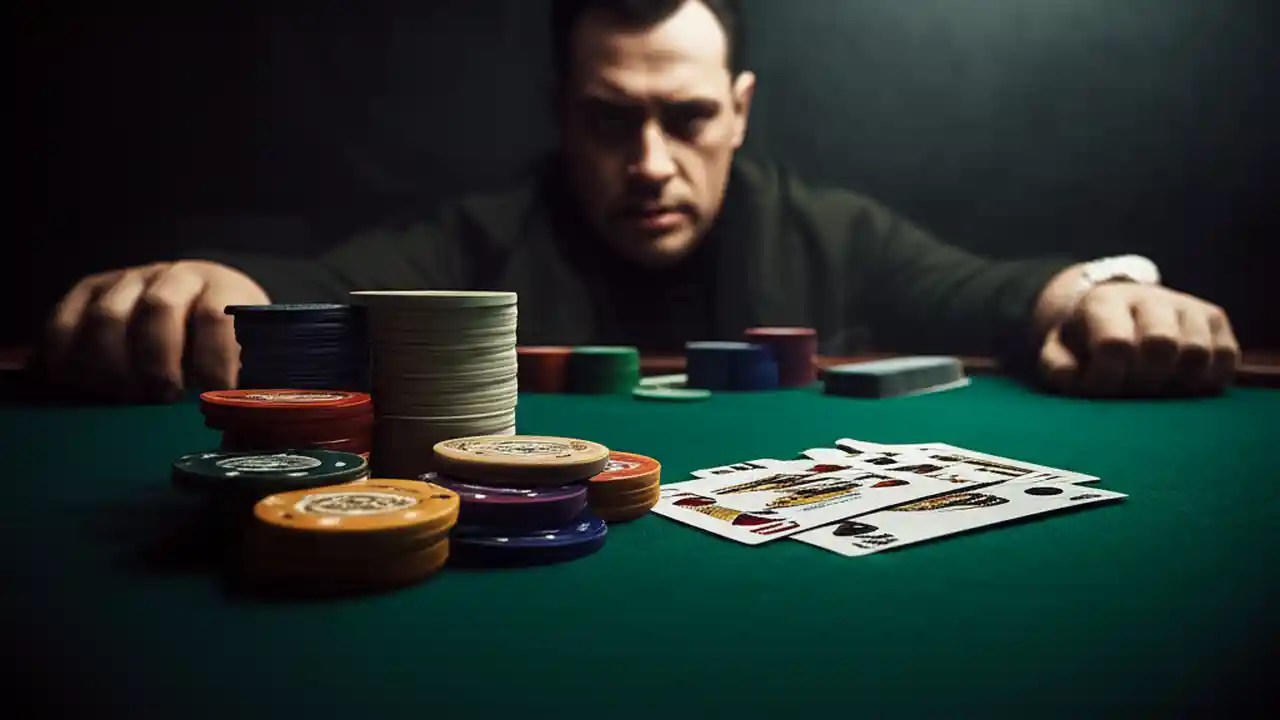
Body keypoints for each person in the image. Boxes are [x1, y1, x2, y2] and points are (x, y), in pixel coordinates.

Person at [41, 0, 1240, 404]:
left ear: (740, 111)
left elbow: (995, 293)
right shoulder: (477, 239)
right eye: (612, 120)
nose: (652, 162)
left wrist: (1103, 294)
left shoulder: (834, 231)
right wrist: (214, 286)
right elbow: (311, 292)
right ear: (562, 116)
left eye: (687, 117)